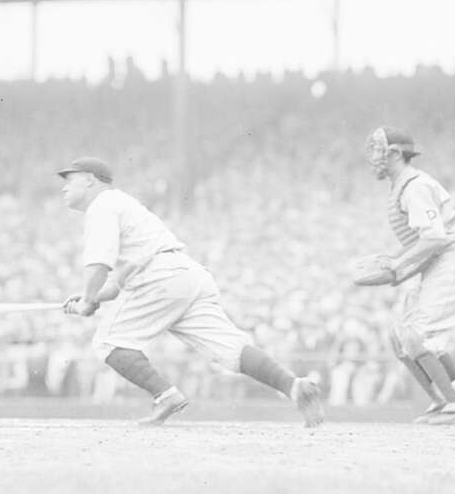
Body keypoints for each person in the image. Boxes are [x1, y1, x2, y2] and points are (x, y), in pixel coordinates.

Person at [56, 157, 324, 427]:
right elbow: (113, 286)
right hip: (186, 275)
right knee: (231, 351)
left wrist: (88, 299)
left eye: (70, 178)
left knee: (108, 342)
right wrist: (87, 298)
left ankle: (166, 396)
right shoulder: (122, 204)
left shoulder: (101, 205)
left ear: (90, 179)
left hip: (158, 277)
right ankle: (295, 386)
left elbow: (99, 265)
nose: (63, 187)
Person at [361, 127, 455, 425]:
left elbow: (436, 238)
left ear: (395, 153)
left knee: (417, 334)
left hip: (453, 258)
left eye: (380, 150)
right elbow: (423, 245)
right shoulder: (402, 186)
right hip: (437, 261)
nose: (374, 156)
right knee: (399, 337)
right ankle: (444, 400)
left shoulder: (414, 186)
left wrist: (398, 262)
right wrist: (399, 271)